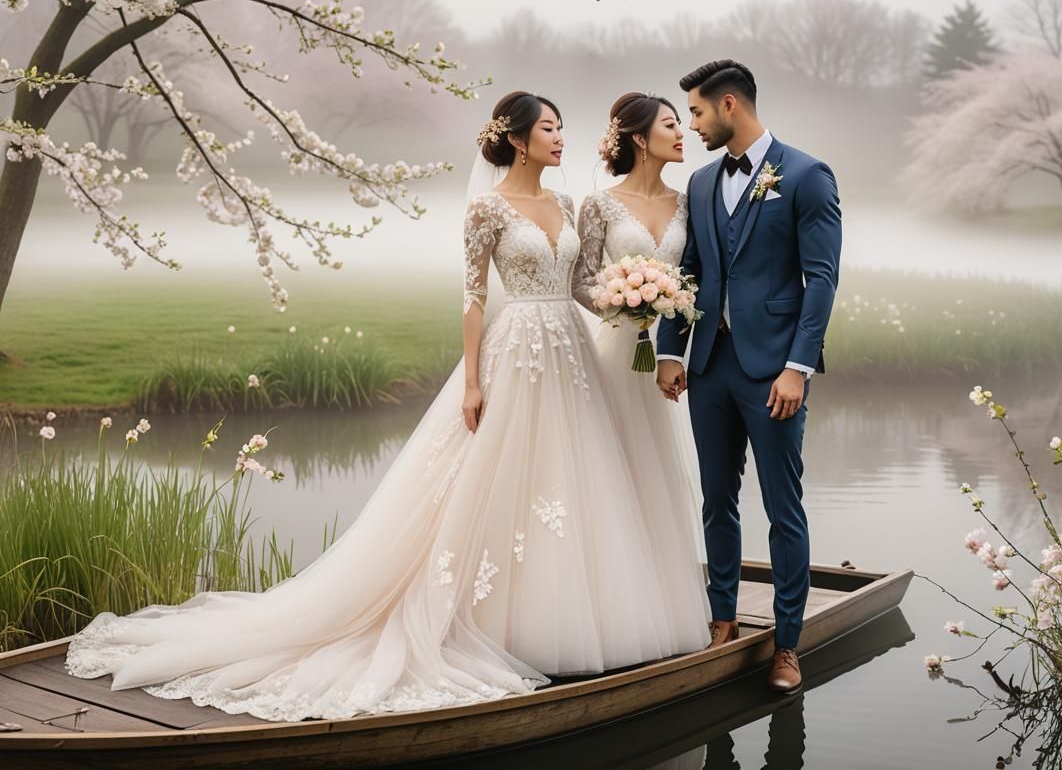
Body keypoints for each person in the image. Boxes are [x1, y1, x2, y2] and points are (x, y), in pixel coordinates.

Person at [65, 91, 699, 722]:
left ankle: (576, 620)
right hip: (517, 356)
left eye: (563, 128)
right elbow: (474, 298)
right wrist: (473, 381)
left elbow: (584, 287)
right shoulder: (487, 209)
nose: (561, 139)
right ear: (517, 138)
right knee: (497, 480)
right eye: (550, 129)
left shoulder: (566, 203)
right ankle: (494, 625)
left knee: (574, 481)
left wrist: (635, 298)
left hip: (572, 358)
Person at [655, 61, 842, 693]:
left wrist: (797, 368)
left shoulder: (807, 175)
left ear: (729, 105)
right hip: (709, 367)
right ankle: (723, 620)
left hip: (774, 374)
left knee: (784, 509)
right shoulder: (703, 184)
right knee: (717, 501)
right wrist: (670, 351)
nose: (693, 125)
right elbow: (688, 272)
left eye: (698, 114)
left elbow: (822, 281)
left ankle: (788, 644)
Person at [572, 92, 712, 651]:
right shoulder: (599, 205)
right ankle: (601, 607)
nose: (683, 134)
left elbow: (696, 278)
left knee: (656, 478)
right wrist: (623, 304)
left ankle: (656, 604)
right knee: (605, 473)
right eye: (672, 125)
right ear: (638, 137)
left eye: (684, 123)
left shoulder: (688, 203)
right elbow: (580, 279)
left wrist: (668, 307)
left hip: (661, 364)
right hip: (610, 353)